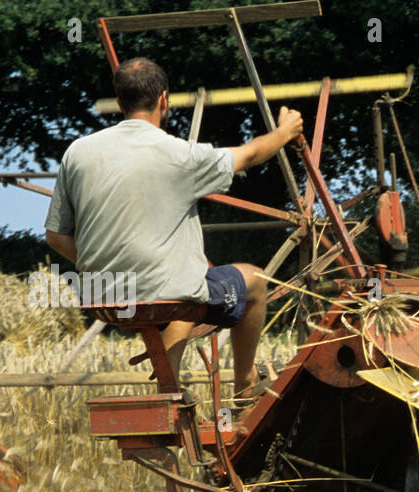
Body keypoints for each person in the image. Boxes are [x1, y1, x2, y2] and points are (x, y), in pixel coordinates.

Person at [44, 57, 304, 405]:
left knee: (183, 282)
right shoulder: (180, 154)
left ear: (120, 103)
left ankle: (168, 392)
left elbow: (56, 237)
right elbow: (250, 155)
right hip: (167, 295)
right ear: (163, 100)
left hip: (102, 298)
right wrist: (284, 132)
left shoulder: (78, 152)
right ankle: (244, 388)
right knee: (253, 280)